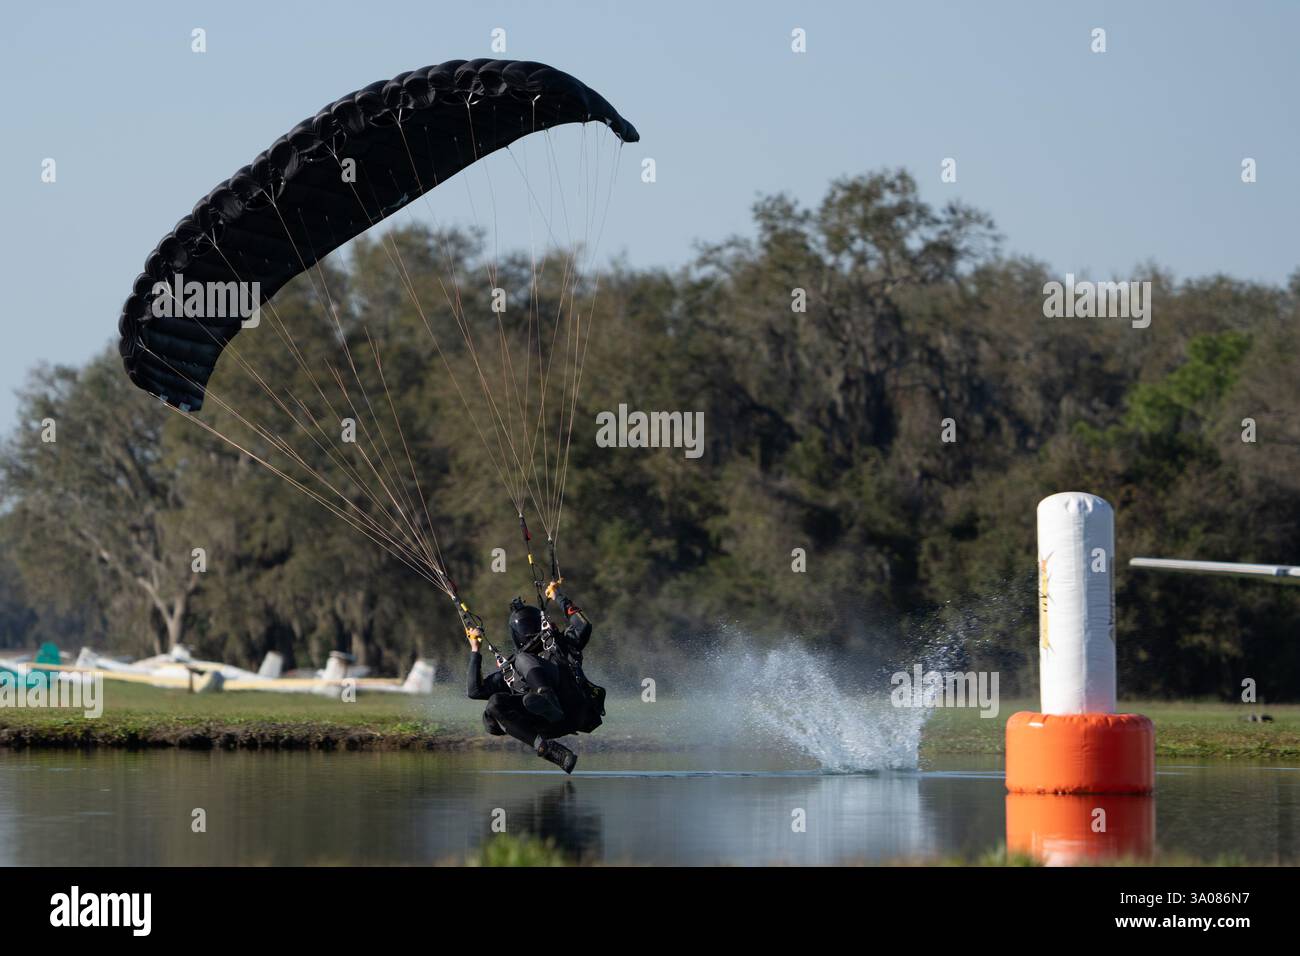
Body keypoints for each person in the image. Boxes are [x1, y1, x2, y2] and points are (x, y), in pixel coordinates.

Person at [465, 583, 598, 774]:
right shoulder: (513, 669)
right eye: (525, 628)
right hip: (552, 725)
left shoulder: (561, 643)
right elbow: (474, 691)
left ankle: (547, 697)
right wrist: (475, 650)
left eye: (531, 626)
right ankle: (547, 749)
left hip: (573, 705)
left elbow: (583, 625)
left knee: (522, 660)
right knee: (494, 705)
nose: (529, 633)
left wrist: (558, 597)